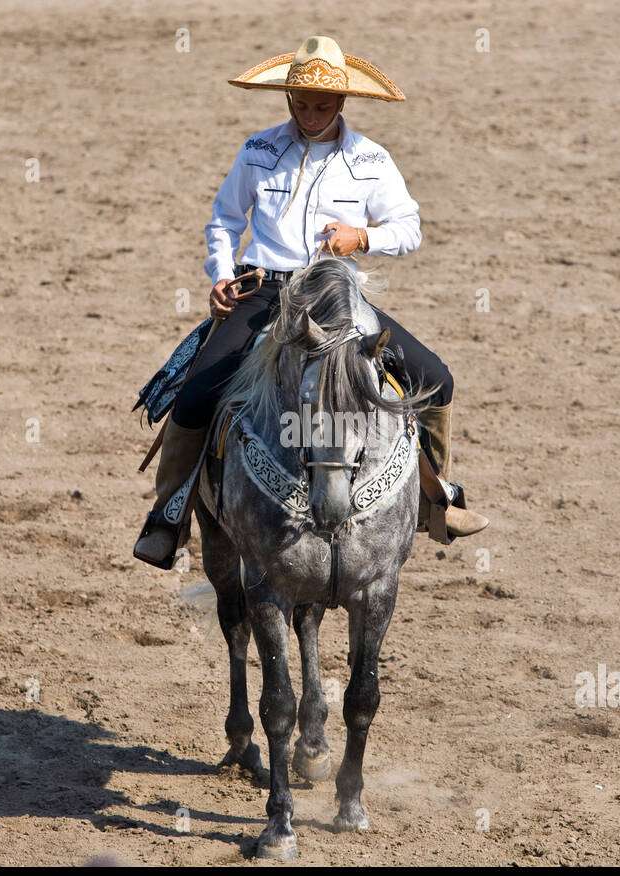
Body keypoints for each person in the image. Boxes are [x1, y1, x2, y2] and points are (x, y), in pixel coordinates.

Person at [134, 36, 487, 568]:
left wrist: (360, 238)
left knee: (436, 378)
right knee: (194, 395)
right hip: (263, 289)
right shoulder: (258, 150)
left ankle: (434, 501)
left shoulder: (370, 159)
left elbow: (409, 228)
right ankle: (168, 515)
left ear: (343, 102)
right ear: (288, 98)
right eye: (302, 104)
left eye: (323, 106)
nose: (312, 115)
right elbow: (224, 221)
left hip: (335, 294)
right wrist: (222, 274)